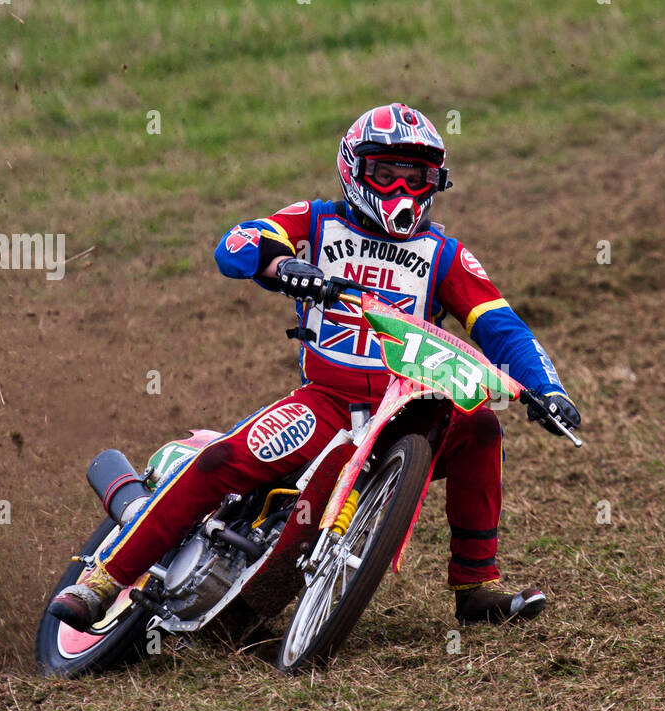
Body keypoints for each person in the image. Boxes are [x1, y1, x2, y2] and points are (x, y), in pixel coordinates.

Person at [48, 102, 580, 632]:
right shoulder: (318, 221)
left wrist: (548, 390)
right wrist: (283, 265)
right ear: (354, 168)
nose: (400, 189)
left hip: (413, 409)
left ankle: (477, 586)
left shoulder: (445, 253)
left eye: (414, 175)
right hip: (325, 404)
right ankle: (103, 580)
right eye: (386, 172)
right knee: (220, 462)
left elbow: (502, 327)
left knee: (483, 426)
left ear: (435, 180)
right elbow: (235, 244)